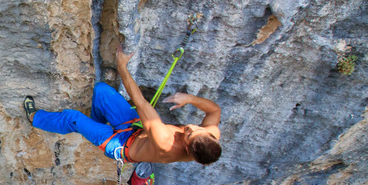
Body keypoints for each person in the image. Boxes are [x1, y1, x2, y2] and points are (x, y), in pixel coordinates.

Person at [24, 44, 222, 165]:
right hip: (133, 129)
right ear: (211, 135)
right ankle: (97, 126)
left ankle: (35, 118)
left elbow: (141, 102)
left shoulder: (165, 142)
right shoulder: (209, 137)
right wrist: (190, 99)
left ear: (187, 150)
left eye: (188, 134)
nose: (190, 127)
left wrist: (122, 67)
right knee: (101, 91)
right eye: (197, 129)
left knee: (73, 118)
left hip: (120, 146)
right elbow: (214, 110)